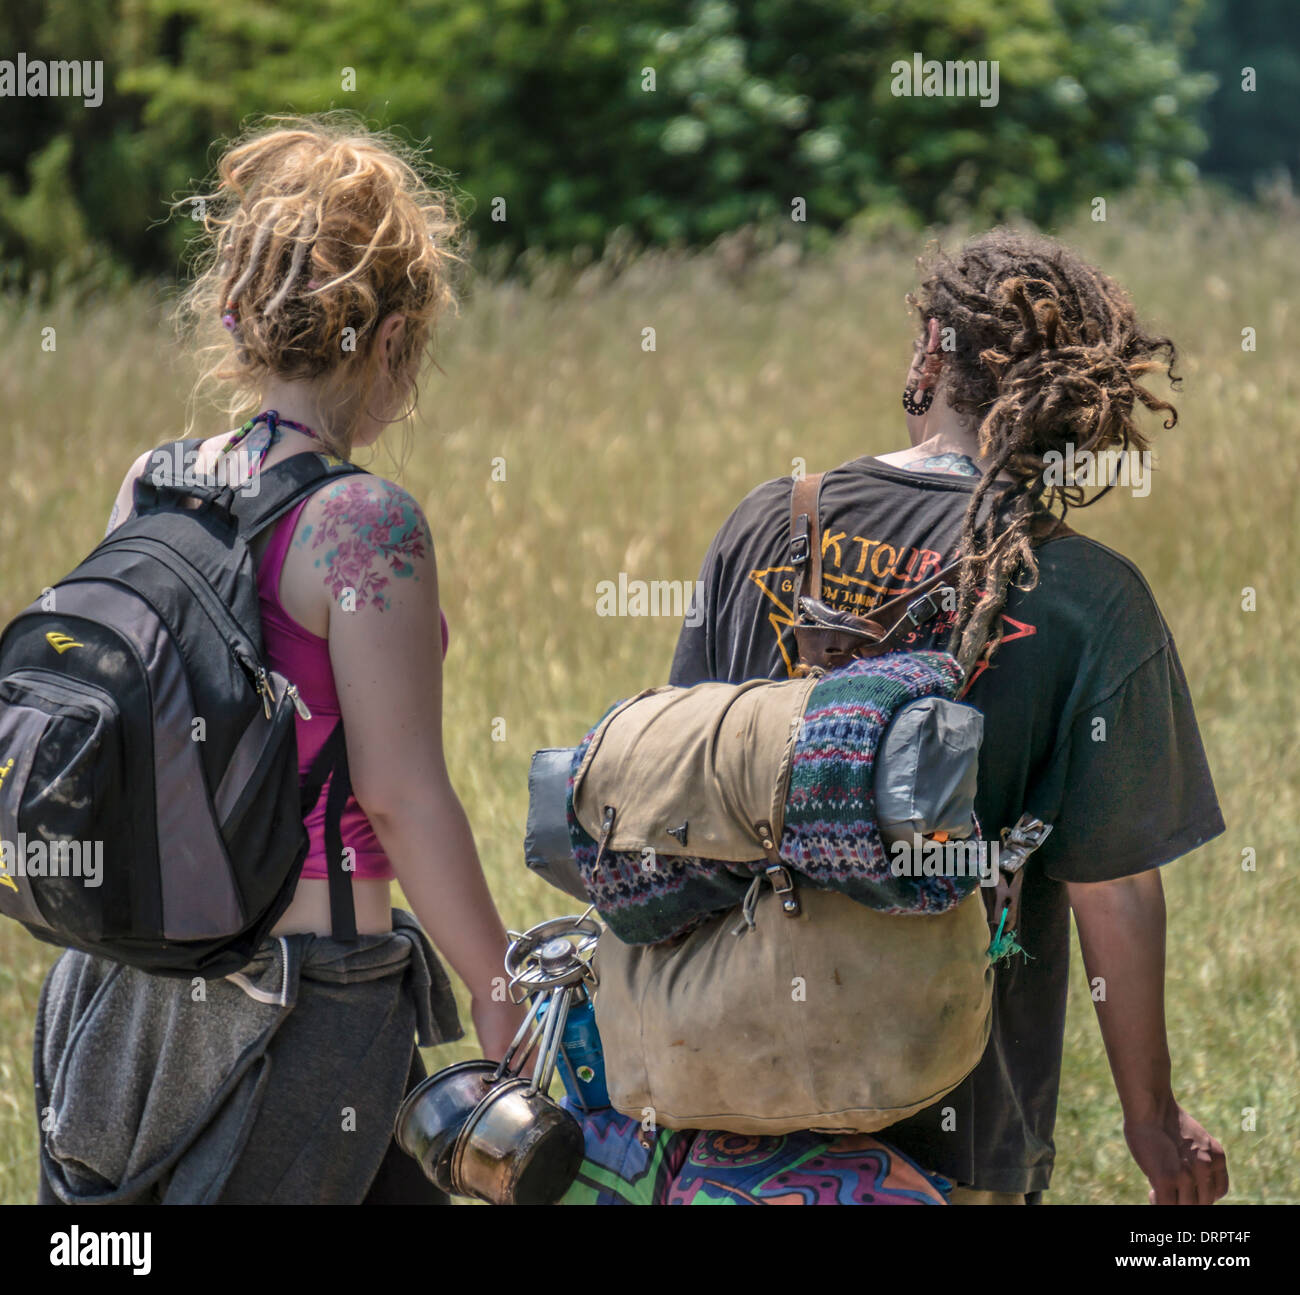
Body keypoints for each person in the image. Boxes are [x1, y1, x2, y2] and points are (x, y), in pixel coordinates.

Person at [664, 228, 1230, 1205]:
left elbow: (673, 780)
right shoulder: (1088, 597)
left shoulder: (768, 518)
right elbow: (1113, 894)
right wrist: (1152, 1114)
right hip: (954, 1119)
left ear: (933, 345)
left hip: (726, 1091)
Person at [33, 116, 524, 1204]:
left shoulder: (154, 479)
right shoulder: (366, 522)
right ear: (393, 338)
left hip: (125, 990)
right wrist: (496, 986)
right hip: (309, 994)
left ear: (235, 314)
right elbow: (398, 793)